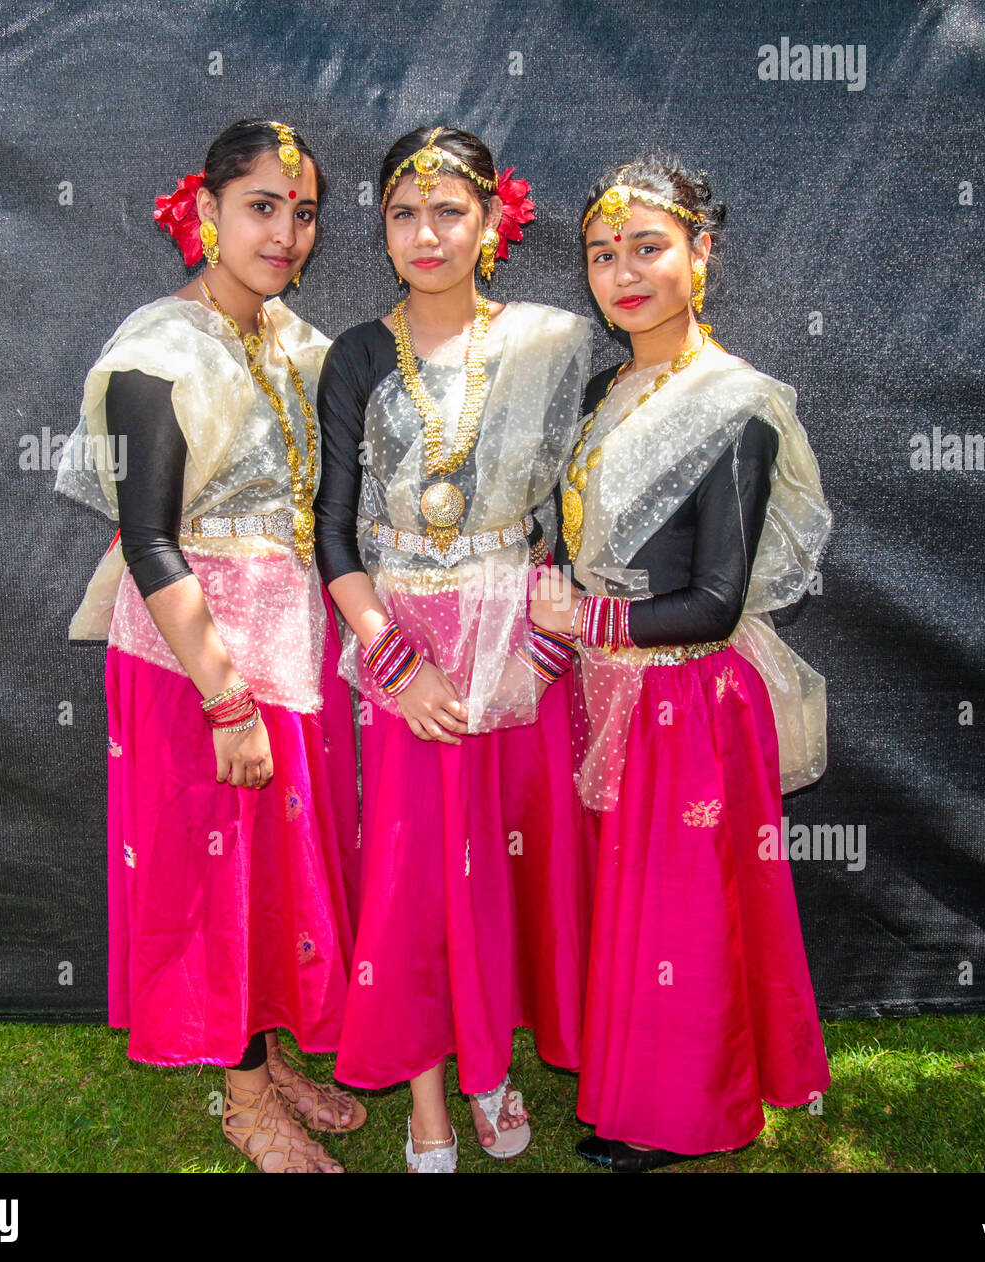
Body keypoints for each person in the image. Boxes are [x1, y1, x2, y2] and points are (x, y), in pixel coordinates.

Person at [55, 118, 364, 1173]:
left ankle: (267, 1058)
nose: (285, 234)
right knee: (214, 877)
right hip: (193, 665)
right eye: (262, 207)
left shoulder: (287, 340)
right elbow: (148, 539)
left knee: (270, 871)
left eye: (303, 212)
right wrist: (226, 698)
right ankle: (243, 1102)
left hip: (287, 648)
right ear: (207, 212)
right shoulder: (158, 352)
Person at [529, 158, 834, 1171]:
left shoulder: (735, 404)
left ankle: (681, 1113)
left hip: (690, 690)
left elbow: (716, 600)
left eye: (647, 248)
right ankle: (627, 1071)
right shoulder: (603, 392)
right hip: (607, 683)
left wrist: (584, 617)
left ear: (701, 253)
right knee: (624, 892)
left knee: (682, 910)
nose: (623, 273)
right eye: (601, 253)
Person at [314, 126, 595, 1172]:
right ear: (382, 229)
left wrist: (549, 644)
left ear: (492, 222)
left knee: (506, 863)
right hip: (401, 643)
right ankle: (428, 1088)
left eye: (447, 211)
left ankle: (489, 1066)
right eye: (403, 214)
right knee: (415, 871)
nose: (424, 234)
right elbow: (330, 532)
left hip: (518, 636)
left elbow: (579, 518)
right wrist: (394, 660)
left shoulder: (552, 346)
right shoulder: (355, 355)